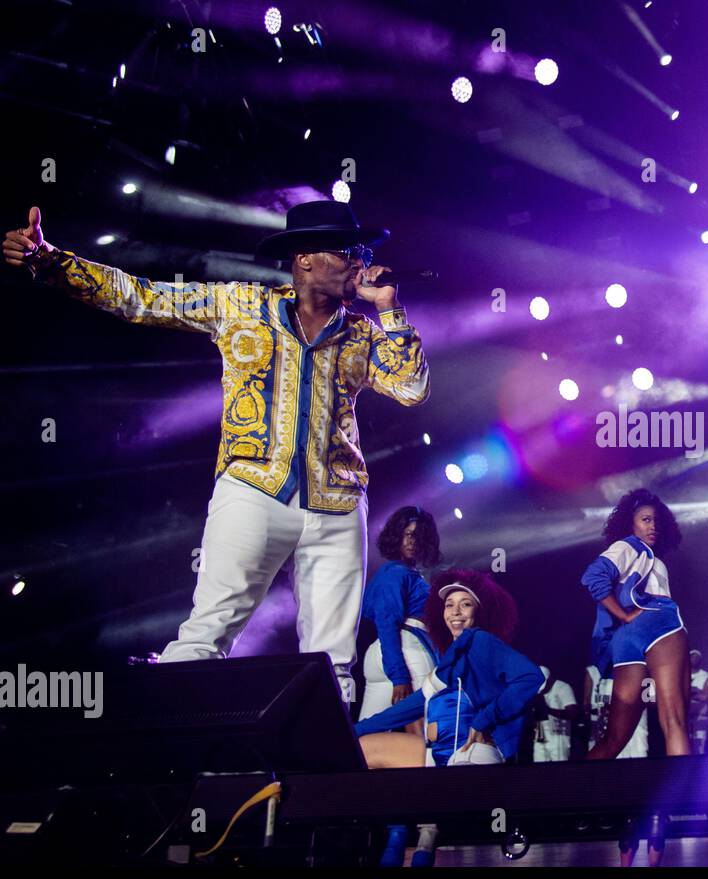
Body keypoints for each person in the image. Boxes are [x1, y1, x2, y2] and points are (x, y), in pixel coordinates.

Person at [3, 203, 430, 702]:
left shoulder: (364, 333)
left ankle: (319, 776)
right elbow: (141, 298)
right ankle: (174, 762)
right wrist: (50, 260)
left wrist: (389, 309)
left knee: (333, 659)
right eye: (346, 252)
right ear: (305, 258)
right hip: (254, 491)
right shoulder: (241, 305)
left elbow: (411, 388)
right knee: (206, 634)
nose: (360, 263)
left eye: (362, 252)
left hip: (337, 502)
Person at [355, 568, 543, 865]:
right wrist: (353, 729)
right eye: (449, 605)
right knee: (364, 748)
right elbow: (411, 706)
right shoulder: (451, 656)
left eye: (465, 604)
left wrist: (485, 719)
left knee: (385, 767)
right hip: (440, 755)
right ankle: (407, 841)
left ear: (479, 611)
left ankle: (413, 841)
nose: (455, 612)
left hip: (471, 756)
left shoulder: (483, 642)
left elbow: (531, 677)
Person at [580, 488, 690, 867]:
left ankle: (574, 796)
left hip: (627, 639)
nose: (652, 526)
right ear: (630, 522)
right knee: (673, 719)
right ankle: (682, 803)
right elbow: (593, 577)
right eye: (645, 519)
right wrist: (625, 614)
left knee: (615, 735)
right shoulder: (629, 548)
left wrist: (623, 620)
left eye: (656, 520)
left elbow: (600, 584)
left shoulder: (643, 555)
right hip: (658, 624)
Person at [358, 506, 442, 723]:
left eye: (418, 537)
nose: (412, 542)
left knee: (369, 732)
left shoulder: (398, 573)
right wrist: (400, 676)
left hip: (384, 654)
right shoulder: (396, 573)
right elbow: (386, 623)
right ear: (396, 535)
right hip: (406, 652)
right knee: (429, 735)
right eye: (407, 535)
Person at [532, 666, 580, 762]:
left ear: (549, 679)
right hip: (540, 735)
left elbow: (573, 713)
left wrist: (548, 710)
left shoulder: (563, 687)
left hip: (559, 737)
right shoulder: (533, 688)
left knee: (559, 771)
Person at [688, 649, 708, 754]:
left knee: (699, 744)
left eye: (697, 657)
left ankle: (699, 767)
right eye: (692, 657)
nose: (694, 659)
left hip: (700, 714)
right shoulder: (682, 674)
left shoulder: (706, 676)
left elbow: (704, 696)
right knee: (685, 744)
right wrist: (696, 692)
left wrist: (689, 693)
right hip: (686, 714)